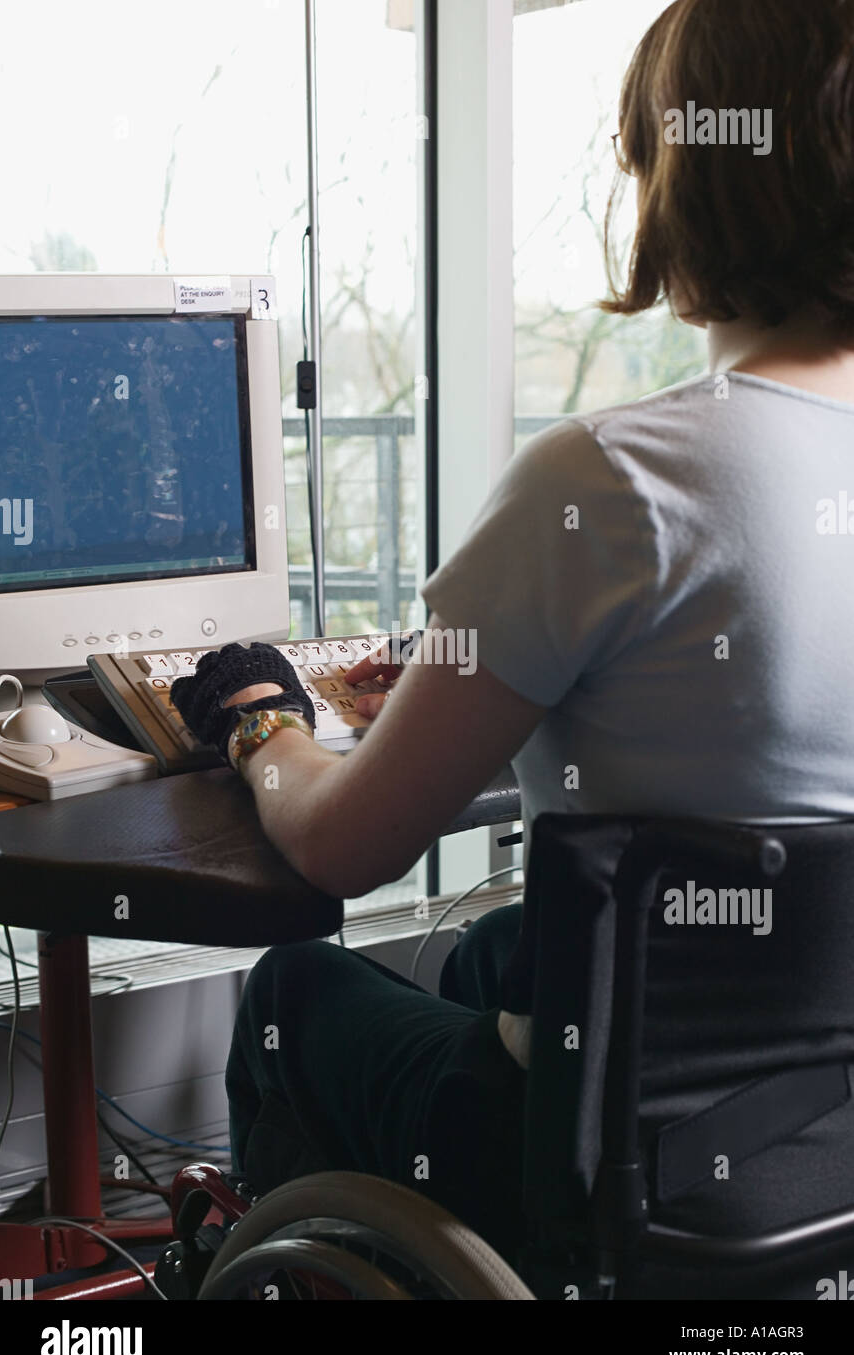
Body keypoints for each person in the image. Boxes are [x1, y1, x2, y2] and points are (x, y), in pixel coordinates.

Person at [173, 0, 854, 1280]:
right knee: (490, 952)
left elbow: (344, 843)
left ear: (678, 173)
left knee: (291, 998)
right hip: (819, 1133)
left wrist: (264, 724)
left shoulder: (609, 479)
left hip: (602, 1160)